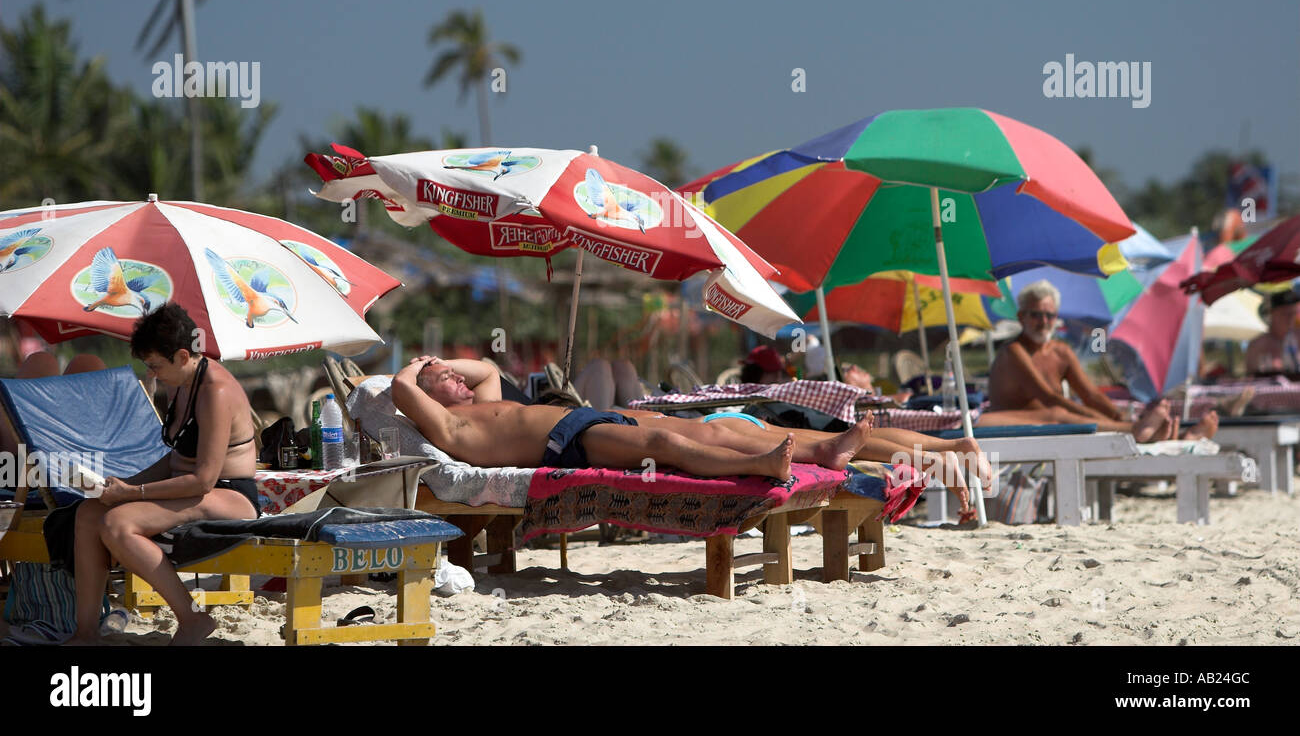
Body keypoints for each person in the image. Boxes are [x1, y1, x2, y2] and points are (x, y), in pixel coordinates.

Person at [389, 354, 993, 522]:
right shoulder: (452, 428)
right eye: (443, 379)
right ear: (433, 400)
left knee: (695, 429)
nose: (454, 378)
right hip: (566, 445)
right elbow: (395, 388)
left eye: (451, 373)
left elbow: (487, 370)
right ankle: (762, 464)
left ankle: (820, 451)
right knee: (670, 450)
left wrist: (443, 364)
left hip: (592, 421)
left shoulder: (486, 399)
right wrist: (416, 369)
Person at [68, 304, 260, 645]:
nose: (152, 374)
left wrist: (131, 494)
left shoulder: (214, 391)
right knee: (88, 513)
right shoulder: (180, 383)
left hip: (229, 494)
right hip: (194, 488)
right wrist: (122, 485)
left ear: (183, 355)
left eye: (156, 365)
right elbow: (177, 458)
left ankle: (191, 618)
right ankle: (86, 632)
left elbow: (203, 479)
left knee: (117, 523)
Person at [985, 280, 1218, 441]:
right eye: (1036, 314)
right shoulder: (1013, 352)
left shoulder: (1060, 351)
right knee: (1056, 414)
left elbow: (1091, 395)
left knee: (1062, 415)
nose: (1043, 321)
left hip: (1047, 428)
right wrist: (1118, 423)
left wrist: (1117, 416)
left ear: (1057, 318)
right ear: (1021, 317)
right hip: (1006, 426)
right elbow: (1049, 398)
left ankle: (1173, 435)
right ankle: (1136, 431)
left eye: (1050, 315)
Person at [1244, 291, 1300, 376]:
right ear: (1272, 314)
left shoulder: (1296, 338)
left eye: (1293, 313)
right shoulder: (1258, 344)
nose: (1290, 318)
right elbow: (1251, 379)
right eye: (1285, 314)